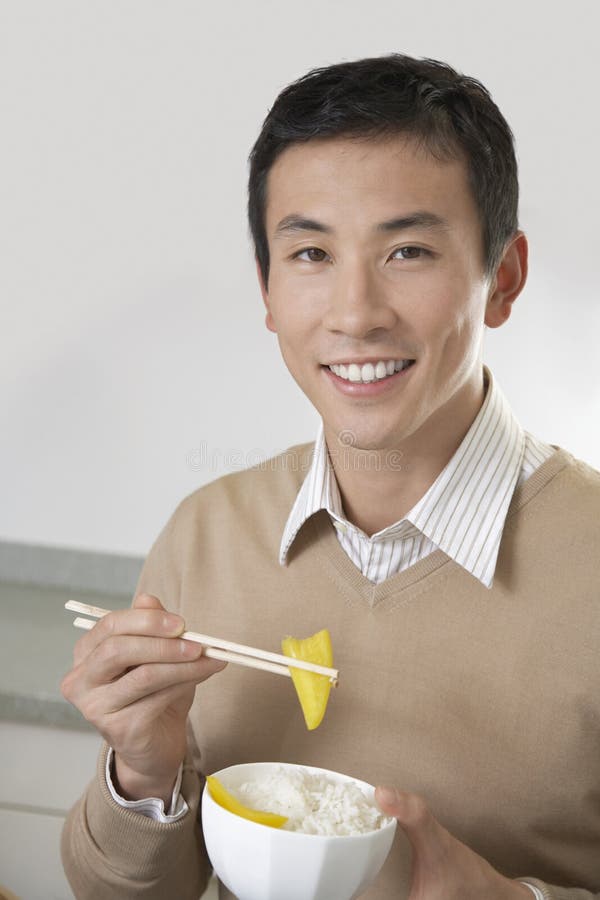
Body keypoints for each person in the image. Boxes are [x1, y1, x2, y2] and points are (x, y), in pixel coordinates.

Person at [60, 54, 600, 900]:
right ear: (269, 292)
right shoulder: (206, 535)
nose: (354, 314)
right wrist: (143, 776)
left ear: (505, 277)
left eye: (409, 250)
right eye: (310, 252)